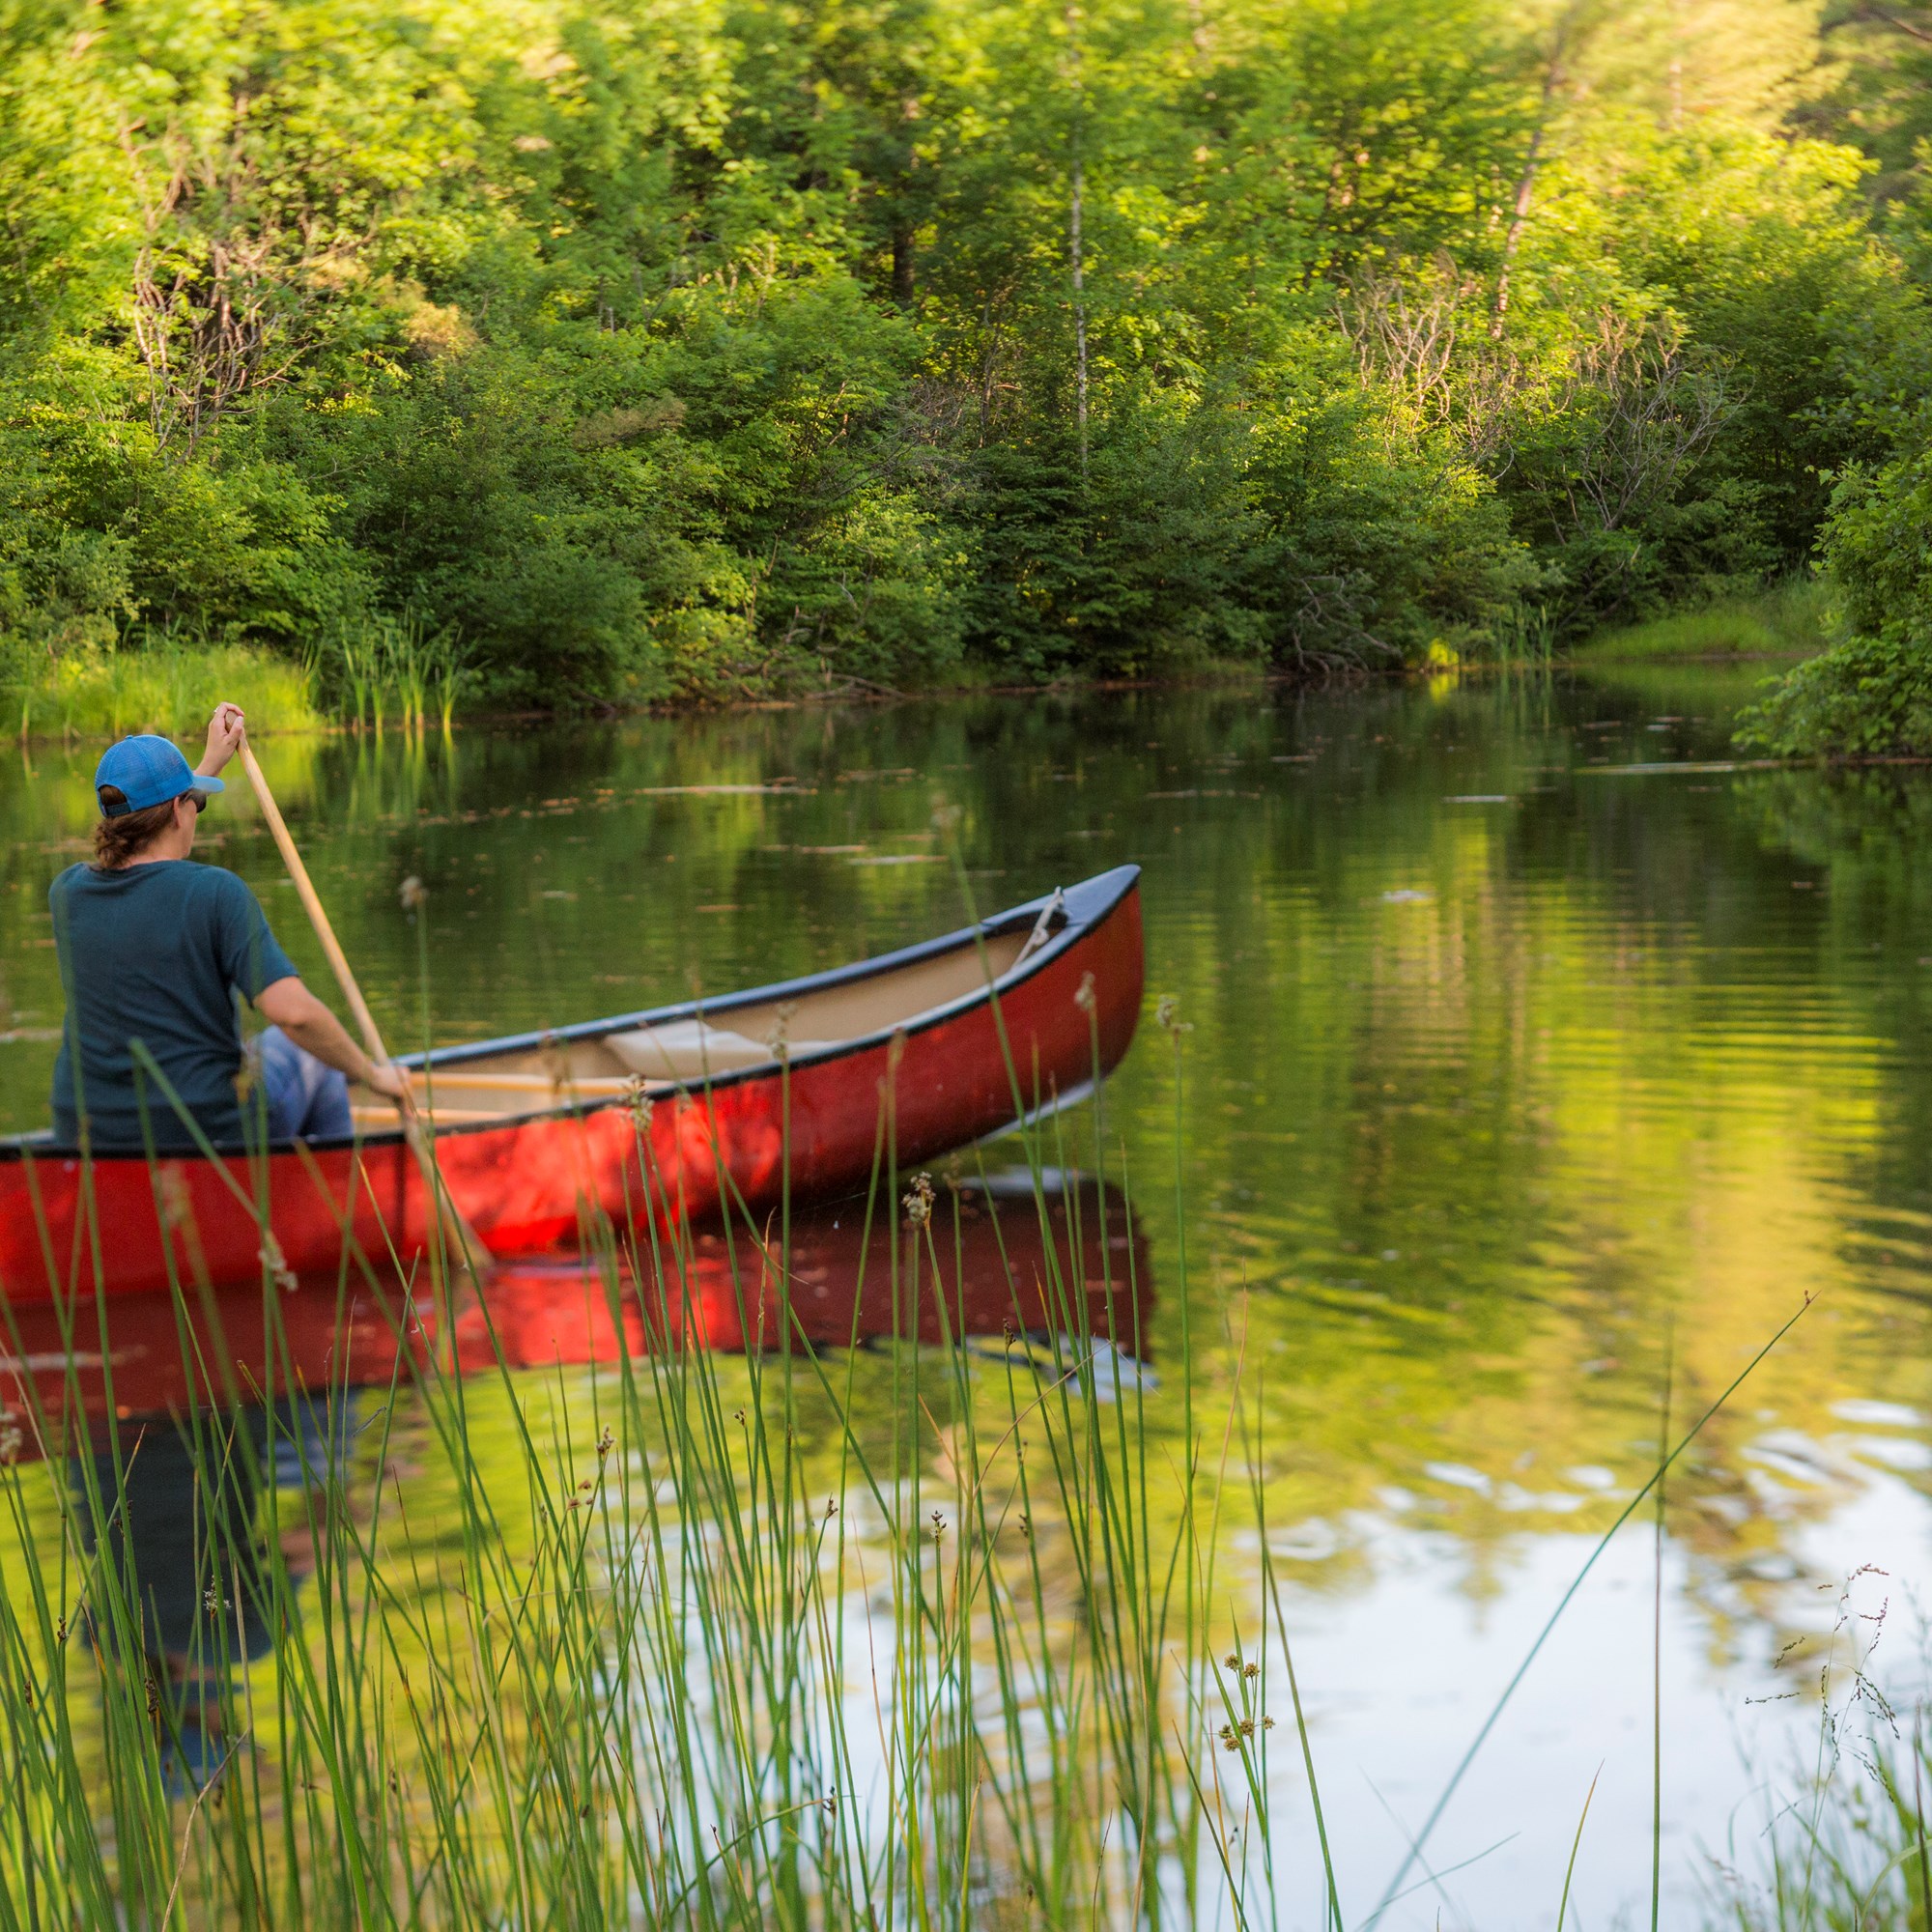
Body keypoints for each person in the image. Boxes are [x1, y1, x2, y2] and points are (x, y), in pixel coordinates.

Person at [49, 702, 409, 1150]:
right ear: (180, 812)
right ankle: (325, 1201)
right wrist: (374, 1076)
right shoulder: (215, 894)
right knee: (304, 1051)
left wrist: (205, 768)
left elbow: (153, 817)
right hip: (206, 1130)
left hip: (87, 1132)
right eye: (191, 801)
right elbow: (294, 1014)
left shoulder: (68, 892)